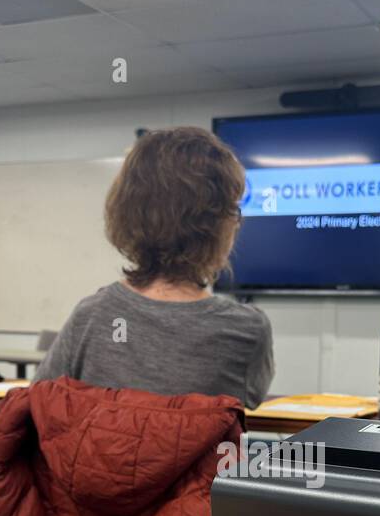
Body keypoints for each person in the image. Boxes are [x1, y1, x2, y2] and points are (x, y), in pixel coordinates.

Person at [33, 126, 274, 407]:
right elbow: (251, 399)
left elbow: (38, 403)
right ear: (222, 224)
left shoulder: (92, 316)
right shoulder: (246, 330)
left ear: (126, 213)